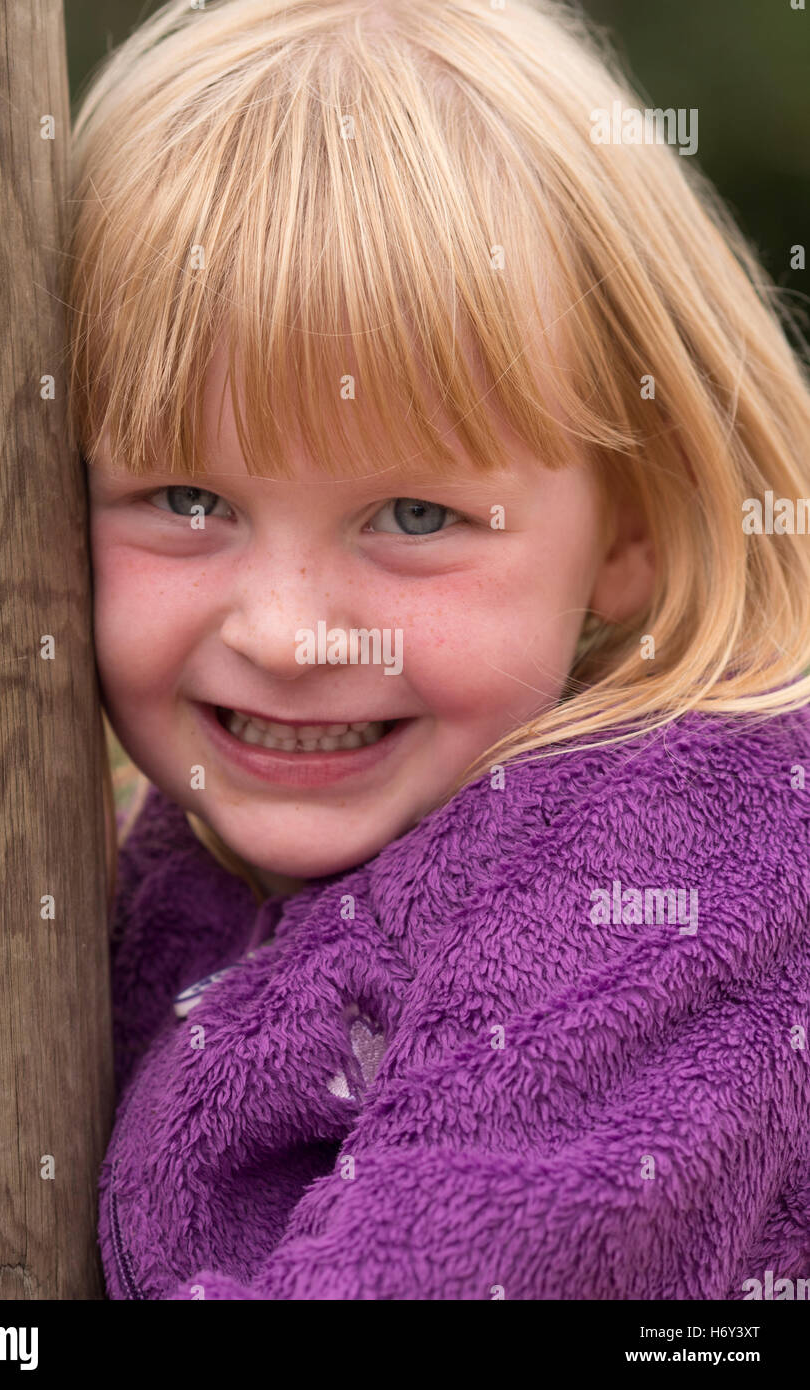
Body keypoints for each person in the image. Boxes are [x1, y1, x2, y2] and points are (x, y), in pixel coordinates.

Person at [65, 0, 810, 1298]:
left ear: (629, 529)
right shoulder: (165, 874)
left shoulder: (699, 854)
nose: (290, 634)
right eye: (189, 502)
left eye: (415, 516)